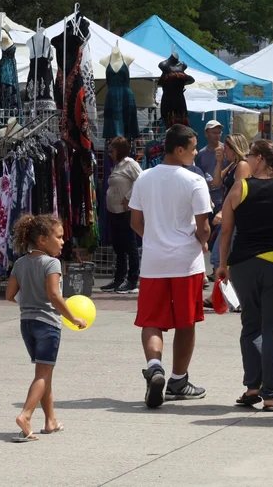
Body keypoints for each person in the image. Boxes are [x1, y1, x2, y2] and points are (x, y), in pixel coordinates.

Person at [216, 140, 273, 411]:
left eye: (252, 155)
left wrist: (222, 264)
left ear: (259, 160)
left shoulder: (239, 188)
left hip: (243, 265)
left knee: (251, 326)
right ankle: (271, 395)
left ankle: (252, 388)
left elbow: (226, 231)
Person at [129, 124, 212, 408]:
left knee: (151, 320)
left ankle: (154, 366)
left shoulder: (144, 178)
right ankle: (178, 379)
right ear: (179, 150)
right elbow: (203, 227)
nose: (195, 153)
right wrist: (203, 240)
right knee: (185, 322)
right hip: (186, 262)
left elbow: (136, 223)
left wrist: (155, 238)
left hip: (153, 261)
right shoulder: (194, 181)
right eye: (192, 148)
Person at [5, 214, 87, 441]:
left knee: (44, 373)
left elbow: (9, 294)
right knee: (43, 374)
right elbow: (54, 295)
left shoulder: (20, 263)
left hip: (27, 324)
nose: (63, 242)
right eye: (59, 237)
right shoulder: (52, 263)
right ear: (42, 239)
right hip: (48, 325)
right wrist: (73, 318)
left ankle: (50, 420)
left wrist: (29, 302)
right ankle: (26, 414)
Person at [101, 137, 143, 294]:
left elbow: (142, 180)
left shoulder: (130, 164)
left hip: (125, 212)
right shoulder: (117, 166)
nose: (109, 154)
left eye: (111, 151)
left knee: (129, 245)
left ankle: (132, 280)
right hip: (114, 212)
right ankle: (119, 278)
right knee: (118, 247)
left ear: (119, 150)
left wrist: (129, 197)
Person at [209, 133, 251, 277]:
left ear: (234, 148)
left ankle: (223, 295)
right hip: (229, 216)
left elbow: (238, 194)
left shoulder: (243, 165)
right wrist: (219, 161)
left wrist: (222, 212)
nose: (223, 150)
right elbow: (216, 181)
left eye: (225, 148)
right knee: (220, 259)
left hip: (234, 218)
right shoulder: (234, 165)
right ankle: (219, 294)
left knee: (219, 257)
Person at [195, 120, 226, 216]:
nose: (217, 135)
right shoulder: (201, 153)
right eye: (214, 133)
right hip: (208, 198)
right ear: (206, 134)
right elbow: (199, 175)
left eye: (219, 133)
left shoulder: (227, 150)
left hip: (224, 198)